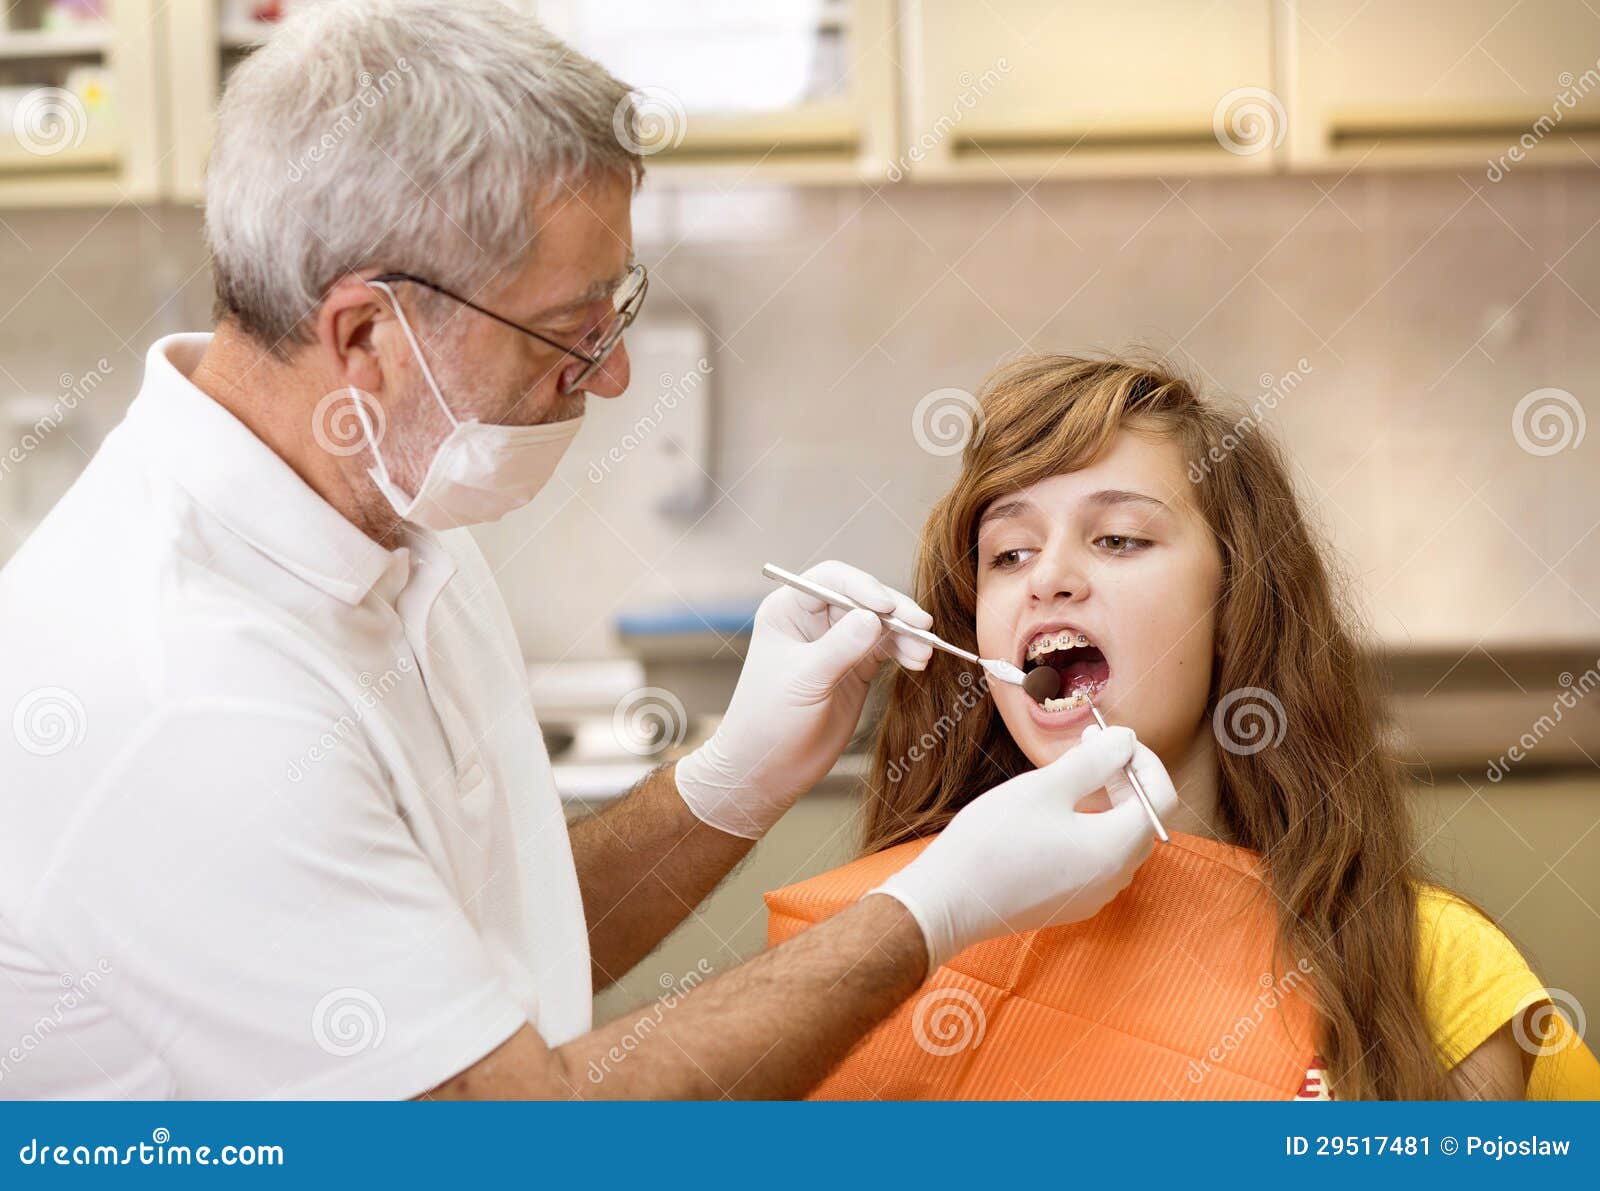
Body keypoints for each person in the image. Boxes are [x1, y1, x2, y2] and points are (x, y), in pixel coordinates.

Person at [0, 1, 1174, 1100]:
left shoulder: (388, 512)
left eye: (617, 312)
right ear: (368, 335)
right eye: (570, 332)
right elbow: (501, 1133)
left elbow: (488, 956)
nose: (612, 374)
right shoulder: (176, 690)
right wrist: (939, 908)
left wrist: (734, 779)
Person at [768, 354, 1600, 1100]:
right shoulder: (881, 943)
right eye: (1008, 554)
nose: (1048, 577)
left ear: (1236, 603)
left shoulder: (1428, 970)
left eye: (1119, 538)